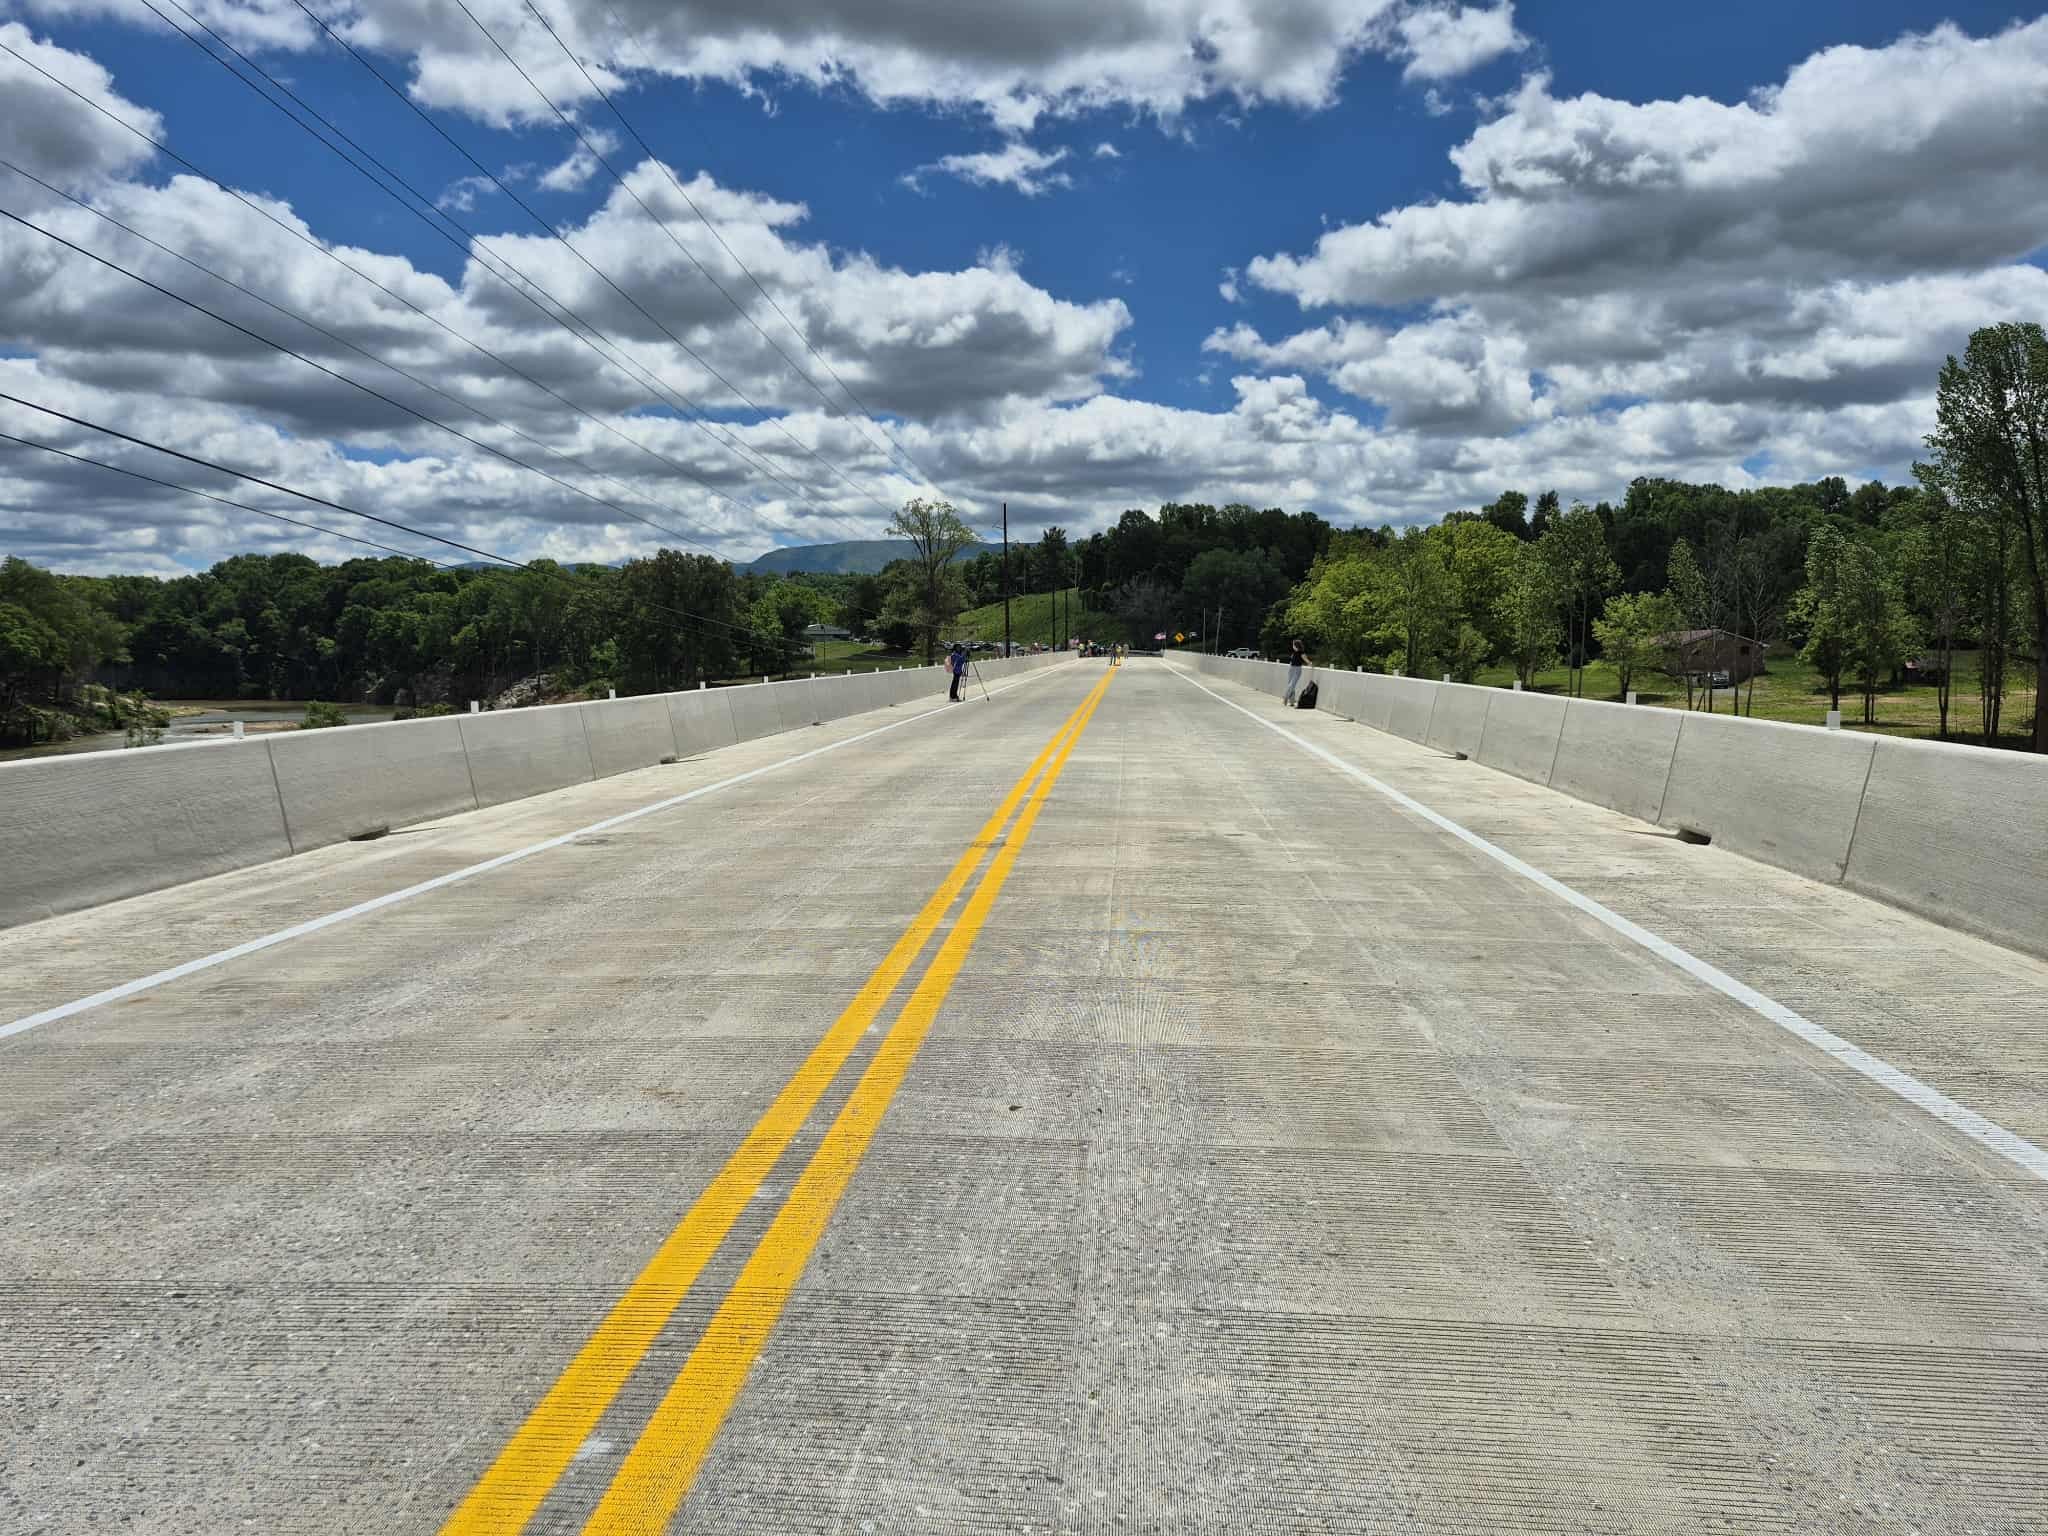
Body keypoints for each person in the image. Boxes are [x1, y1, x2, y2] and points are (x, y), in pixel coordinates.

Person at [1284, 638, 1311, 706]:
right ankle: (1292, 701)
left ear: (1296, 645)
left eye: (1293, 645)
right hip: (1291, 669)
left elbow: (1306, 660)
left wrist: (1311, 664)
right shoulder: (1293, 652)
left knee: (1292, 684)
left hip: (1297, 669)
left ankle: (1286, 697)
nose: (1292, 646)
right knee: (1290, 684)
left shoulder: (1301, 652)